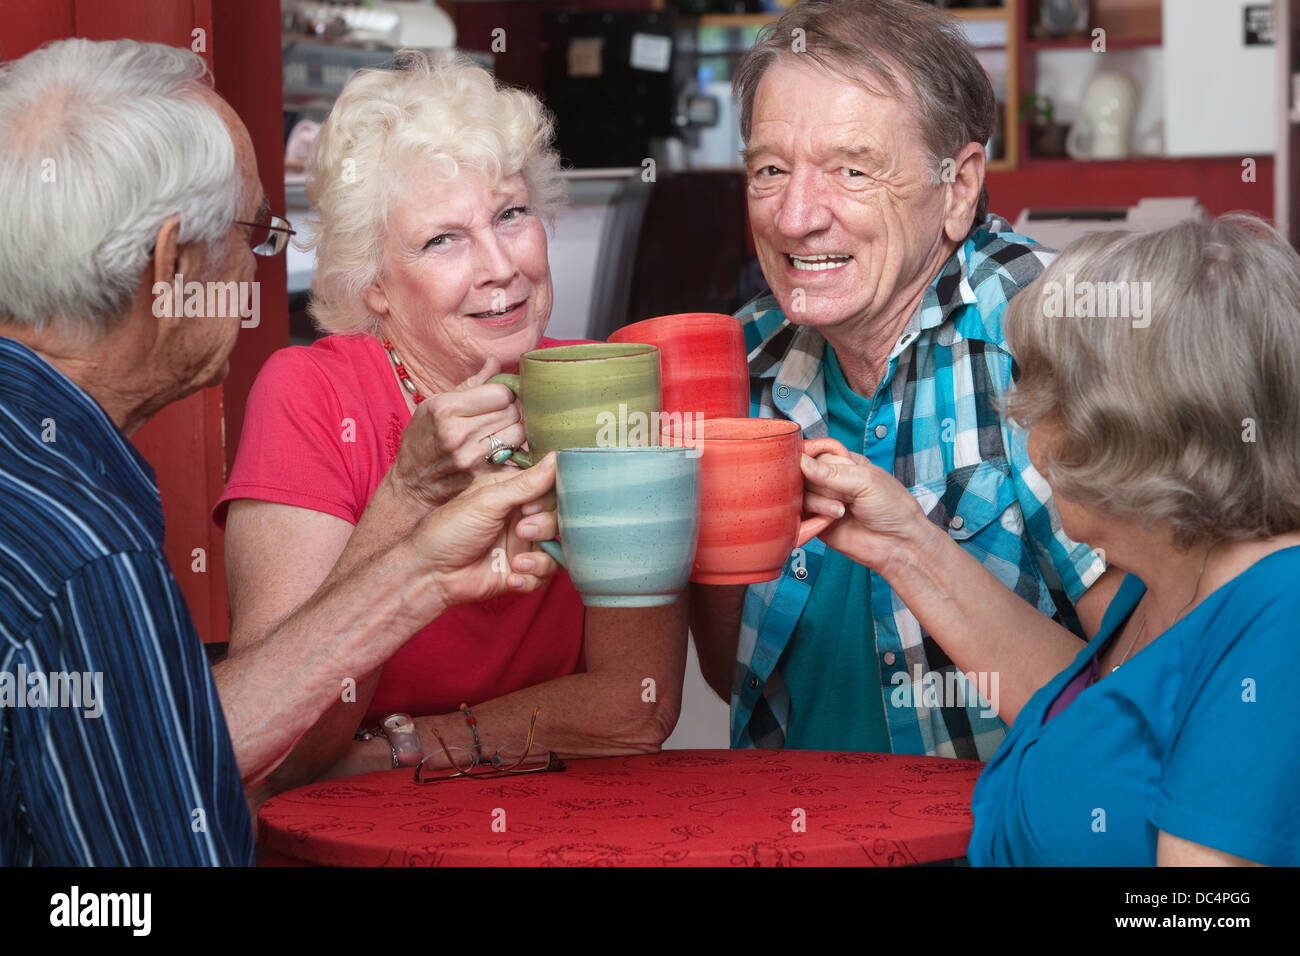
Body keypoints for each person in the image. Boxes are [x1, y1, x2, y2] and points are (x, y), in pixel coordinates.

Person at [0, 38, 563, 865]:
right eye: (253, 236)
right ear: (172, 267)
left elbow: (168, 749)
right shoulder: (88, 554)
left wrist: (414, 569)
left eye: (512, 215)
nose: (266, 270)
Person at [218, 51, 687, 797]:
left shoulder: (606, 384)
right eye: (443, 240)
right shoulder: (312, 396)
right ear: (373, 283)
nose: (500, 266)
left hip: (557, 829)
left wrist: (401, 749)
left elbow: (634, 707)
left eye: (511, 215)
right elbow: (283, 744)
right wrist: (407, 493)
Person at [689, 0, 1122, 758]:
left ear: (958, 189)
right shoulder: (738, 364)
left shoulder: (1055, 339)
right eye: (769, 170)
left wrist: (909, 549)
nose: (795, 218)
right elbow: (736, 678)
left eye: (852, 170)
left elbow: (1148, 697)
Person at [799, 214, 1300, 866]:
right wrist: (900, 543)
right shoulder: (1177, 577)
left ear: (1132, 435)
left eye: (1046, 403)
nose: (1031, 439)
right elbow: (1086, 715)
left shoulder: (1277, 616)